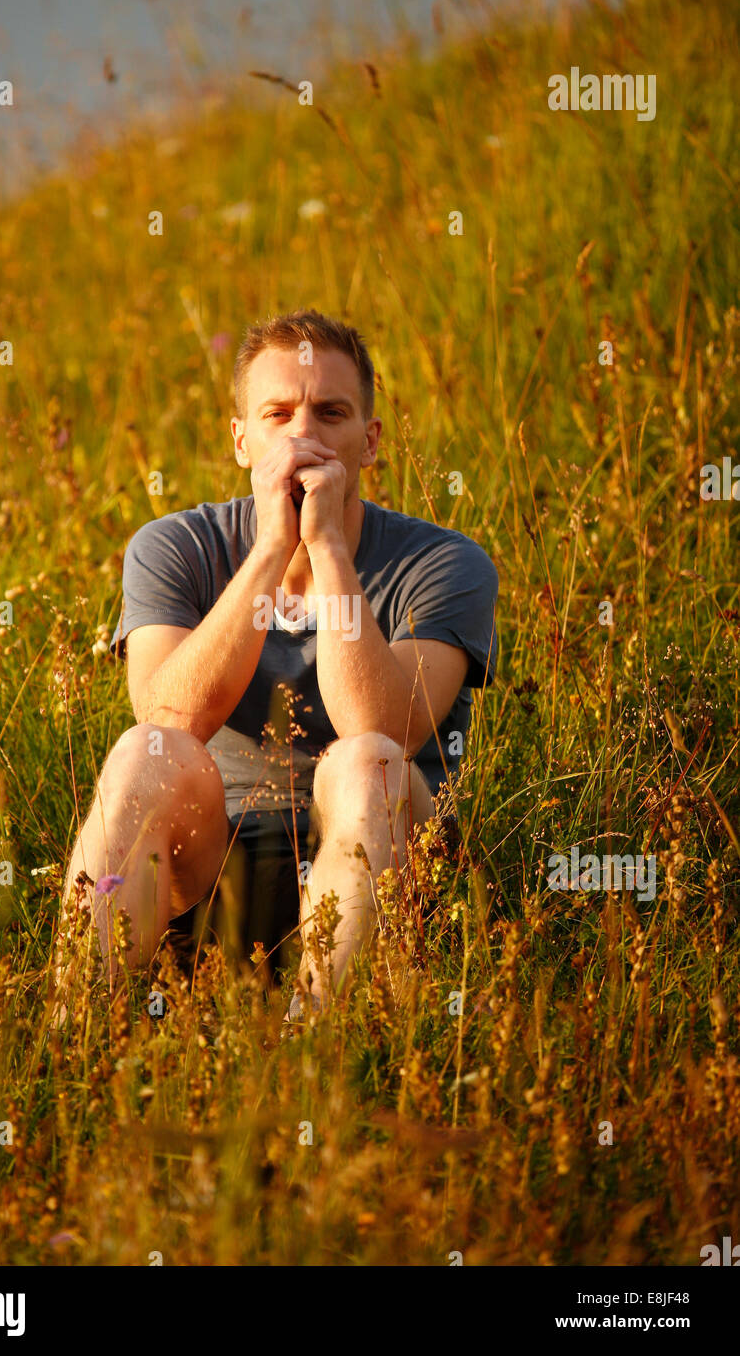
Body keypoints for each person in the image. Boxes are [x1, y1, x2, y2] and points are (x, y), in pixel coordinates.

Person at [56, 309, 498, 1023]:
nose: (303, 436)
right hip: (210, 879)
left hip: (383, 876)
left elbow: (387, 727)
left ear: (370, 441)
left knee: (366, 763)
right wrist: (269, 551)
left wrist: (325, 549)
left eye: (331, 413)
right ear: (242, 440)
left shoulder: (445, 564)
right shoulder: (174, 548)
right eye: (278, 413)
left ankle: (323, 1049)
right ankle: (72, 1034)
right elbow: (171, 716)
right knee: (146, 752)